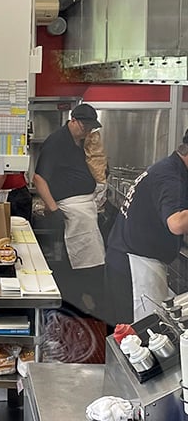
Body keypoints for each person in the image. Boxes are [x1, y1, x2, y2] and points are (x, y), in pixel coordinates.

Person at [105, 131, 188, 325]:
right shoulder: (171, 177)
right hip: (137, 267)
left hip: (128, 257)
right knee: (142, 333)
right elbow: (176, 223)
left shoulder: (167, 168)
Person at [33, 103, 106, 313]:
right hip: (71, 211)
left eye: (91, 128)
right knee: (76, 262)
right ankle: (76, 301)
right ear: (73, 120)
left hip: (85, 209)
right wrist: (54, 209)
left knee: (89, 261)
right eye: (85, 127)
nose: (88, 131)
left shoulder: (80, 141)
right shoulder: (57, 141)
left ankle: (86, 299)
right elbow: (39, 179)